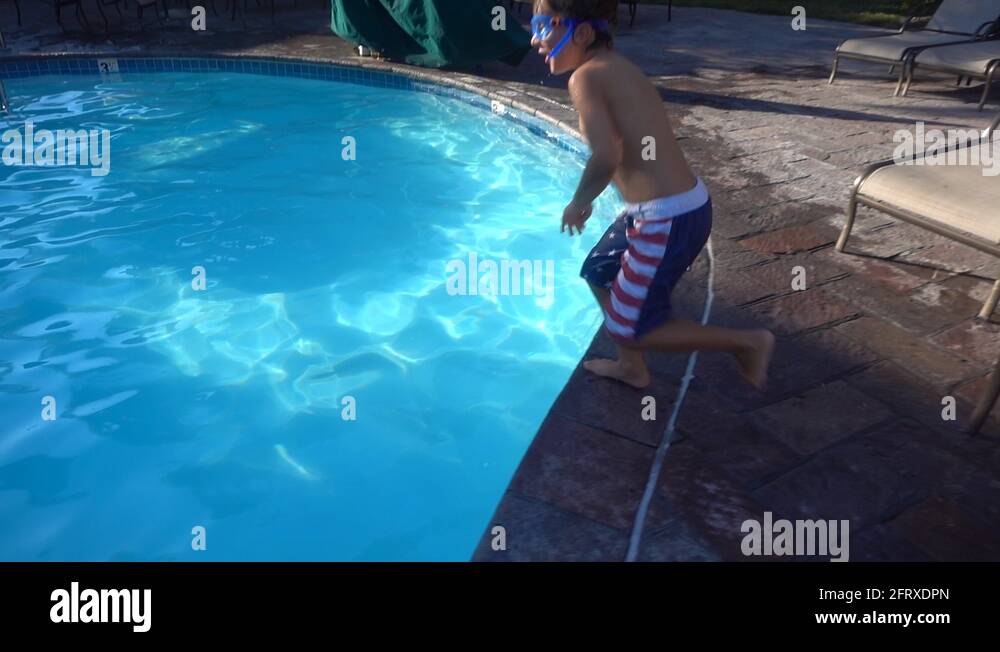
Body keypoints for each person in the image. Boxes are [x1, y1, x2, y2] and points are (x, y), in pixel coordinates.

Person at [531, 0, 774, 390]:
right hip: (670, 207)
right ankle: (632, 368)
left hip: (665, 218)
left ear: (581, 32)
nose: (535, 37)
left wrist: (580, 202)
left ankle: (747, 342)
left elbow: (606, 155)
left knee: (634, 328)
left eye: (545, 25)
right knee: (599, 271)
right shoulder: (617, 66)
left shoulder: (586, 78)